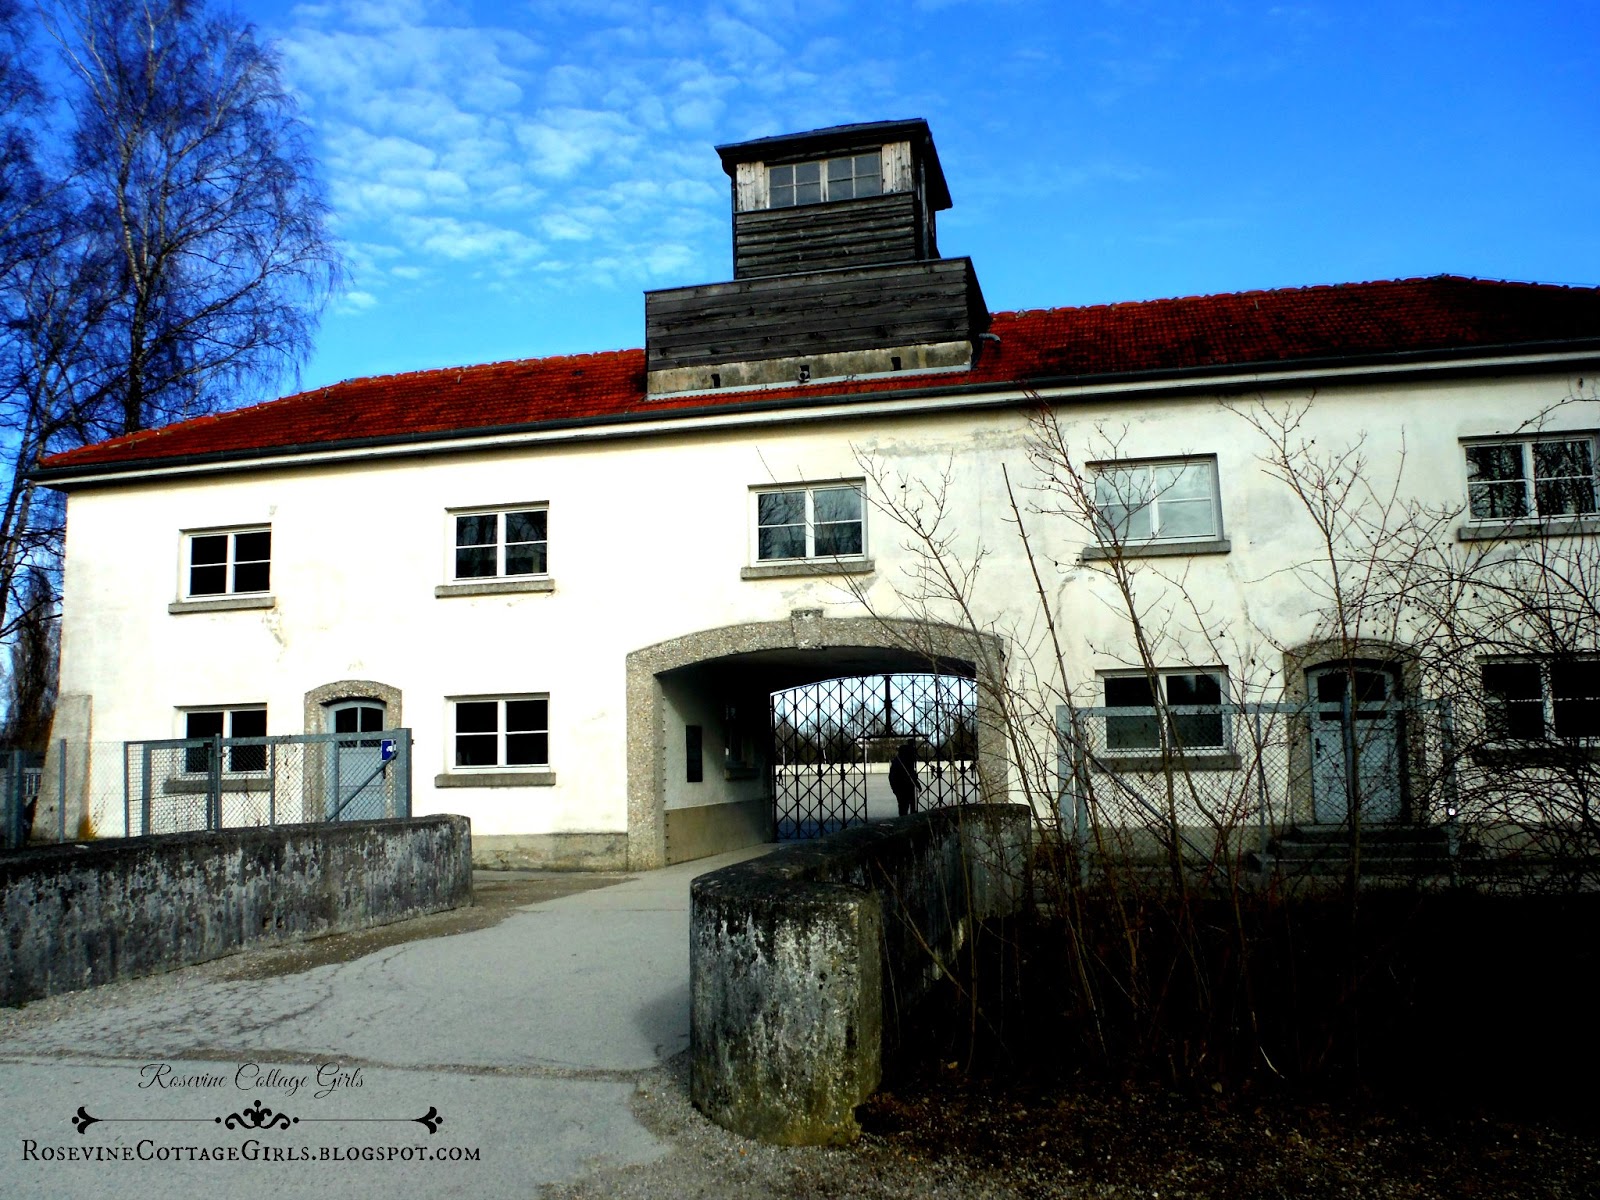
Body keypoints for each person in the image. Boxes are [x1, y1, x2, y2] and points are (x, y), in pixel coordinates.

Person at [889, 739, 918, 817]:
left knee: (907, 807)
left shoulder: (900, 761)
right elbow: (893, 778)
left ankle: (909, 819)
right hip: (902, 787)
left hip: (907, 787)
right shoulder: (902, 761)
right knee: (904, 807)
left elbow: (912, 774)